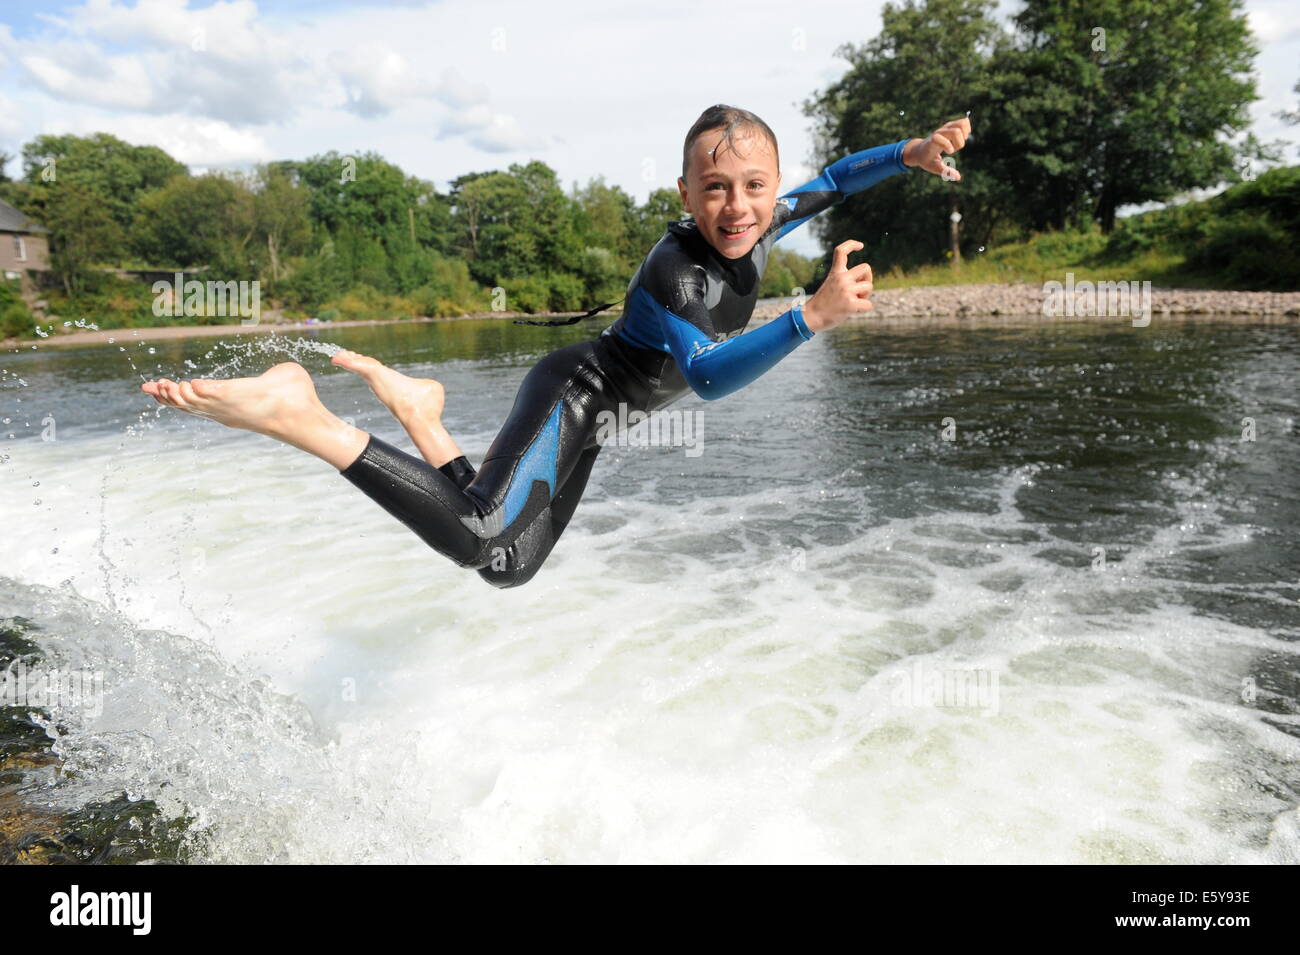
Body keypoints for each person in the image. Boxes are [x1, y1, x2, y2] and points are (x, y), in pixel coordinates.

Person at [141, 105, 970, 589]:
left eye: (755, 187)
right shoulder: (678, 270)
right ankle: (301, 413)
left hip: (605, 423)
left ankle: (422, 412)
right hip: (577, 393)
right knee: (475, 534)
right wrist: (809, 317)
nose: (738, 205)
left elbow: (835, 179)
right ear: (685, 193)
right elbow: (710, 379)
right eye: (714, 188)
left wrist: (909, 152)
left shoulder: (765, 219)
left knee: (508, 566)